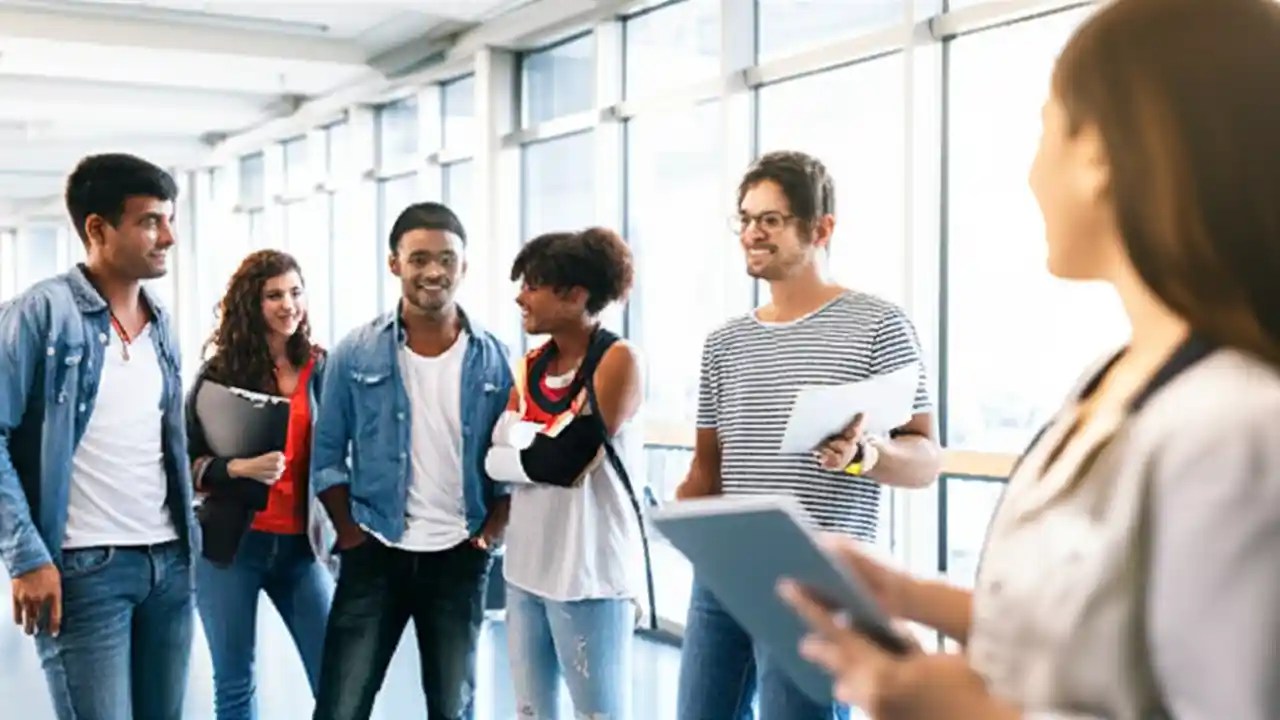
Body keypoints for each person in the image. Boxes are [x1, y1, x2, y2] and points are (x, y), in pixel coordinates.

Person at [778, 1, 1280, 718]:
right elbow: (1100, 640)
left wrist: (962, 710)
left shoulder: (1236, 426)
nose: (1032, 175)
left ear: (1099, 153)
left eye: (1047, 131)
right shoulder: (1112, 377)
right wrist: (911, 596)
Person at [675, 150, 941, 720]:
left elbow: (925, 460)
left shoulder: (879, 324)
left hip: (817, 583)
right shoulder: (724, 343)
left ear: (821, 229)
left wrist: (866, 454)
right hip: (724, 573)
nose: (752, 233)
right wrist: (673, 523)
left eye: (770, 220)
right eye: (745, 219)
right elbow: (707, 472)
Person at [0, 153, 195, 719]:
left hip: (169, 565)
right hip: (86, 571)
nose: (168, 237)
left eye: (170, 220)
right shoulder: (40, 313)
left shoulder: (161, 322)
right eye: (151, 221)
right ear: (97, 228)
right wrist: (26, 558)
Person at [310, 201, 513, 720]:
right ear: (394, 263)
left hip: (460, 555)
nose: (434, 271)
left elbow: (511, 458)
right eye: (419, 258)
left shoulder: (494, 358)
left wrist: (491, 533)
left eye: (447, 259)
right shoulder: (355, 352)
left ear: (464, 267)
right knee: (340, 705)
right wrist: (348, 533)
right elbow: (327, 453)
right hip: (374, 549)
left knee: (453, 708)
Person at [484, 228, 646, 719]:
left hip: (589, 575)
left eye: (533, 286)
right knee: (531, 712)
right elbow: (492, 458)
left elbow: (567, 462)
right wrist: (528, 447)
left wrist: (516, 442)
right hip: (526, 569)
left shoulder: (618, 360)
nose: (521, 297)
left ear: (575, 296)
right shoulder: (529, 366)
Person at [185, 249, 335, 719]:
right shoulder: (220, 374)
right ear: (252, 303)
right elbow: (186, 462)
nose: (288, 305)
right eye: (274, 295)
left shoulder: (322, 368)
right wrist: (237, 468)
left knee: (335, 677)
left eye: (295, 292)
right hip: (232, 547)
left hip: (302, 549)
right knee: (234, 681)